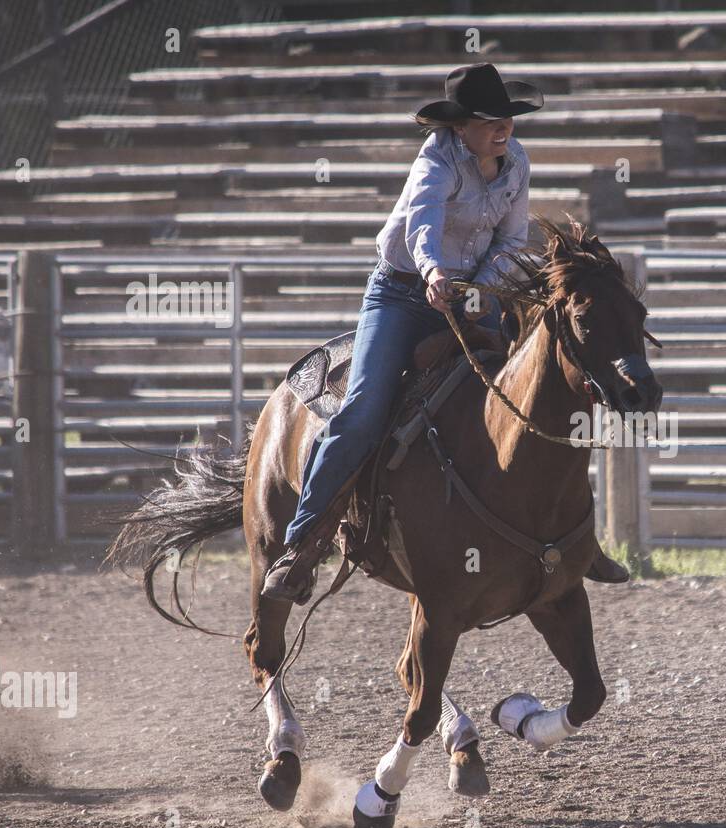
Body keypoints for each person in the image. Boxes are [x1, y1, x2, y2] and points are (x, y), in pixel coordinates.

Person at [262, 62, 629, 604]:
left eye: (505, 119)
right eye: (487, 122)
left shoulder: (516, 162)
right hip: (404, 293)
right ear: (460, 127)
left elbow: (510, 239)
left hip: (472, 293)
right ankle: (301, 544)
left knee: (539, 391)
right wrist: (436, 274)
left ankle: (574, 540)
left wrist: (475, 291)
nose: (501, 130)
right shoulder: (435, 160)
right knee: (363, 410)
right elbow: (422, 227)